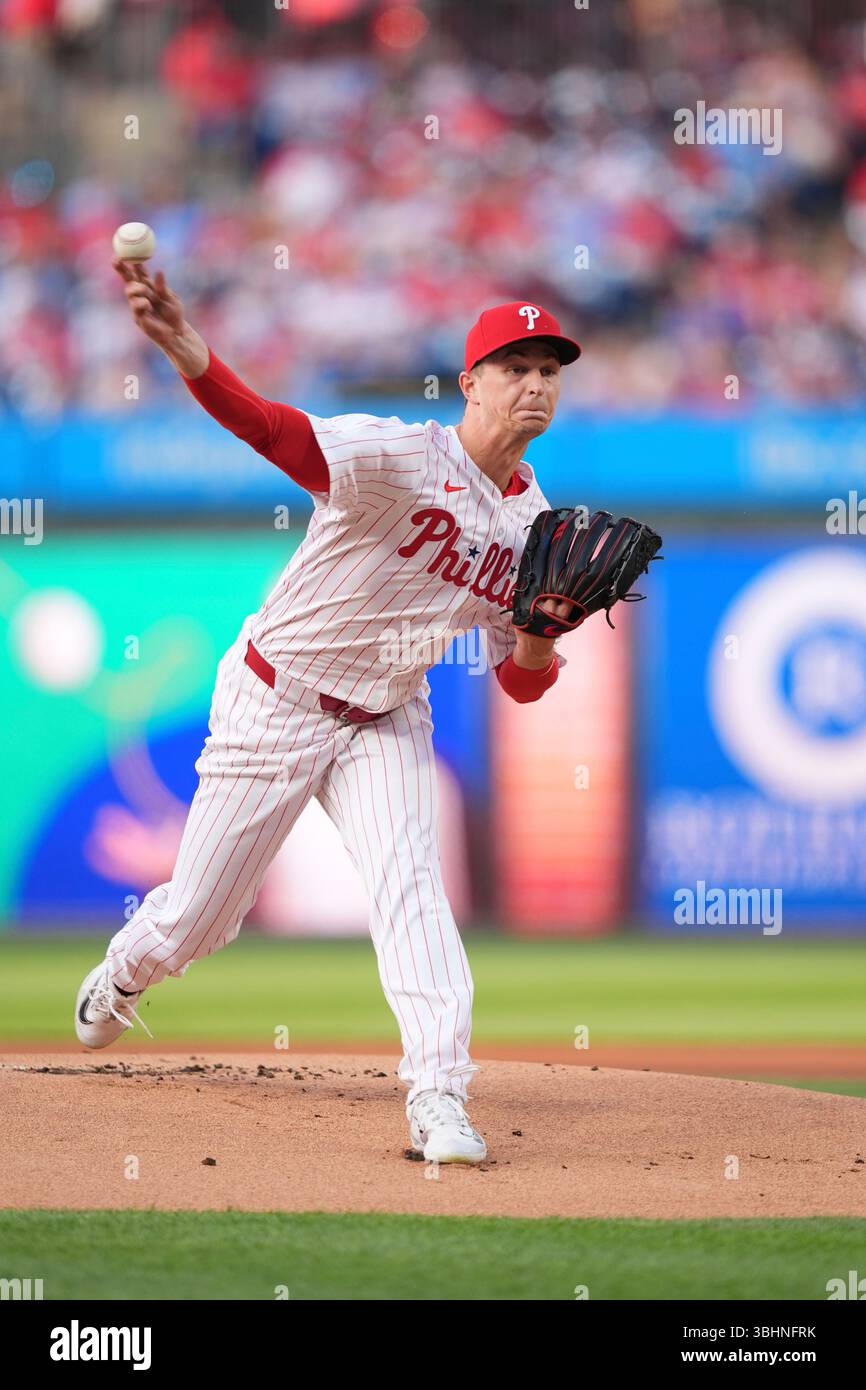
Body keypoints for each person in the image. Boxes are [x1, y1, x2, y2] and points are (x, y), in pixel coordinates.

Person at [74, 260, 582, 1165]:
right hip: (276, 696)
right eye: (516, 367)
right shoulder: (397, 455)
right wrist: (193, 353)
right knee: (199, 919)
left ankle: (438, 1099)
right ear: (470, 383)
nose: (535, 384)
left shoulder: (534, 532)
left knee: (412, 887)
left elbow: (522, 681)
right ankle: (123, 973)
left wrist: (540, 635)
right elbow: (272, 429)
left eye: (549, 369)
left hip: (384, 717)